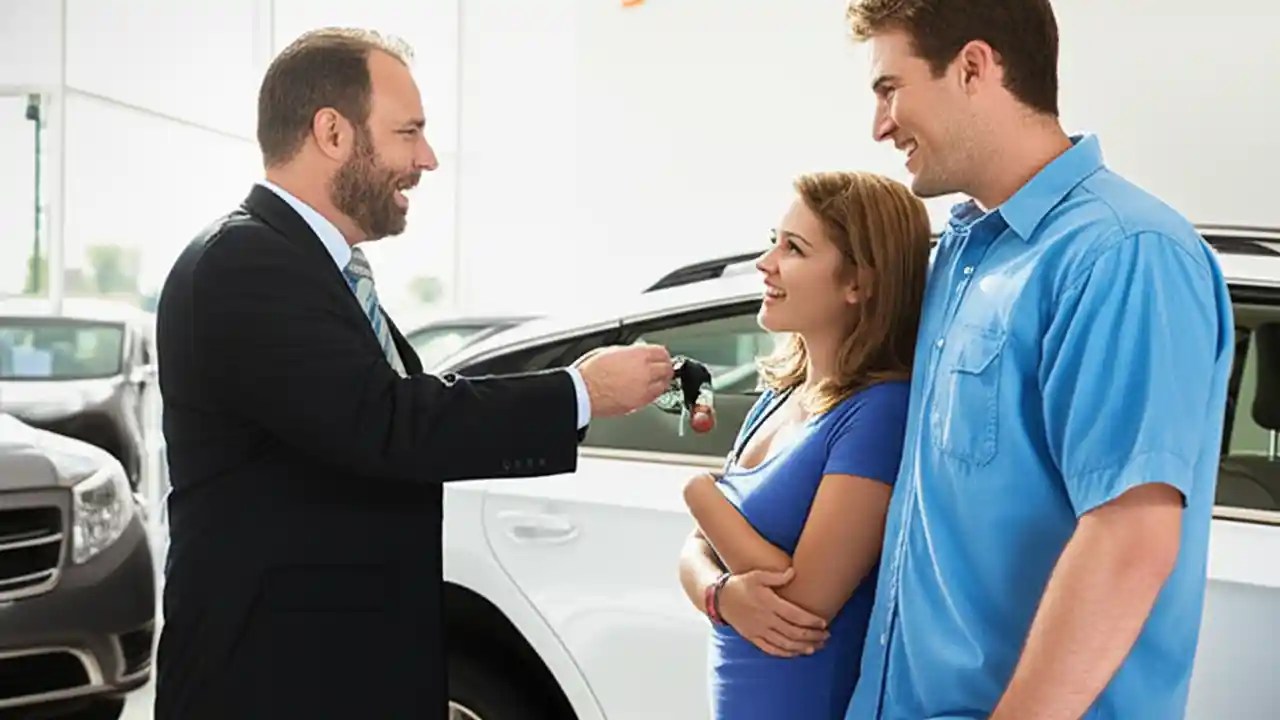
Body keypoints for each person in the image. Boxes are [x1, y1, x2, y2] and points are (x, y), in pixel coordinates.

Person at [153, 28, 673, 720]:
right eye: (408, 132)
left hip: (334, 670)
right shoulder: (244, 263)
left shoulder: (308, 265)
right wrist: (583, 392)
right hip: (276, 680)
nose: (425, 158)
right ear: (332, 132)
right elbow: (389, 422)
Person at [840, 1, 1235, 718]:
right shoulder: (963, 253)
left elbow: (1129, 537)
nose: (880, 125)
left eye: (889, 88)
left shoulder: (1123, 253)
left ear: (973, 67)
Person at [676, 171, 931, 719]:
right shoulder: (780, 394)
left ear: (858, 282)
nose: (765, 263)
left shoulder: (879, 411)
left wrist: (699, 494)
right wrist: (721, 595)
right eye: (774, 241)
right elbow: (694, 553)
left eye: (793, 248)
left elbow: (802, 605)